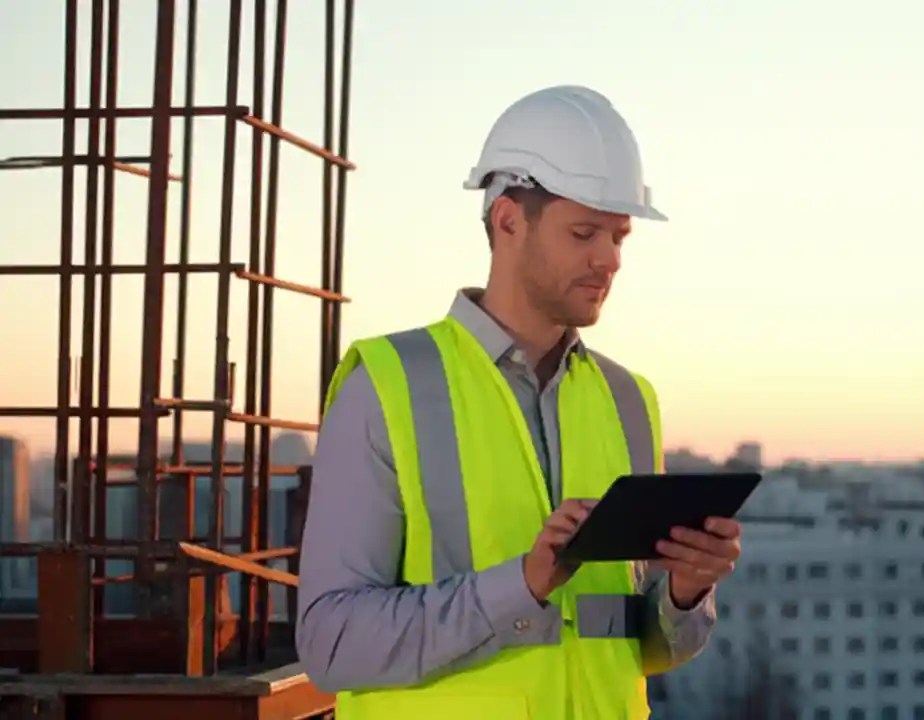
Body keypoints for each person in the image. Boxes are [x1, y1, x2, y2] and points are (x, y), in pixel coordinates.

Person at [295, 85, 741, 719]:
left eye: (620, 236)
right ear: (507, 220)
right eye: (584, 232)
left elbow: (633, 645)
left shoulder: (628, 401)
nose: (609, 259)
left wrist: (687, 593)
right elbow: (331, 643)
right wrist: (520, 587)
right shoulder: (389, 384)